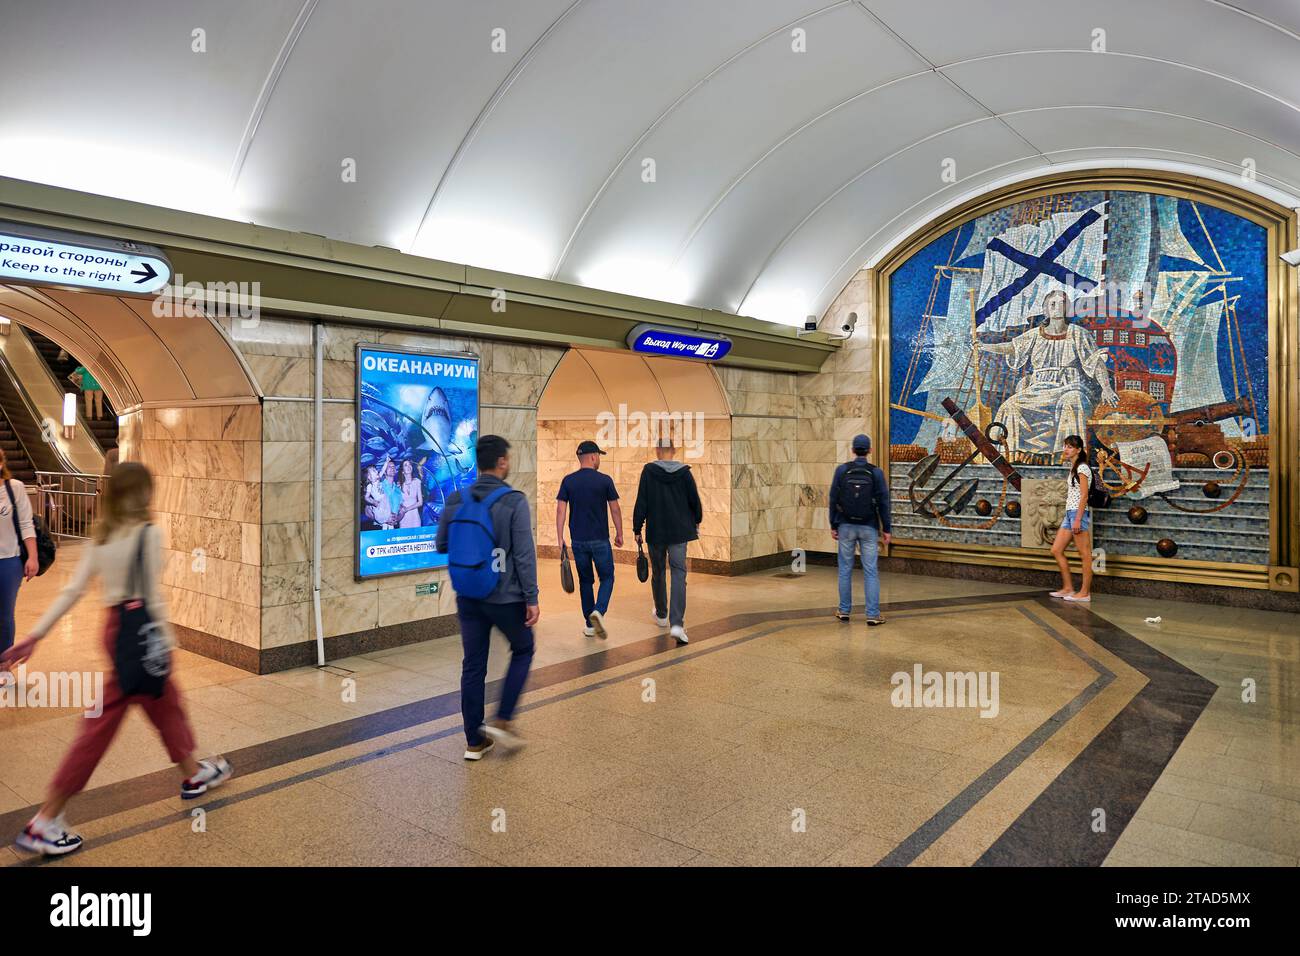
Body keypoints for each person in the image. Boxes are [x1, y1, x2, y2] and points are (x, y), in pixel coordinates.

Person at [1, 461, 232, 857]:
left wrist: (35, 637)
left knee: (167, 705)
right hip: (140, 635)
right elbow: (152, 599)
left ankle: (193, 774)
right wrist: (164, 643)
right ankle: (45, 819)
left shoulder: (100, 538)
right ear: (143, 494)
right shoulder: (149, 534)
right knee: (99, 726)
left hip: (115, 631)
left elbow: (71, 591)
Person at [436, 435, 538, 760]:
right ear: (502, 462)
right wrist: (531, 597)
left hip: (468, 595)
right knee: (523, 648)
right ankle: (504, 718)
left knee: (473, 664)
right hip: (505, 597)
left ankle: (474, 742)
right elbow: (523, 555)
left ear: (478, 462)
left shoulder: (455, 499)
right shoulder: (514, 501)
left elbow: (441, 544)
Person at [976, 290, 1117, 463]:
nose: (1057, 308)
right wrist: (985, 347)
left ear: (1068, 308)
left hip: (1070, 387)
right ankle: (1010, 457)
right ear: (1046, 310)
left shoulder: (1078, 334)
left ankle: (1069, 459)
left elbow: (1096, 362)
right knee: (1011, 405)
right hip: (1039, 389)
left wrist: (1107, 388)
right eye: (1053, 304)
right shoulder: (1035, 334)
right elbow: (1011, 347)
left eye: (1062, 303)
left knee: (1073, 401)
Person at [632, 437, 702, 645]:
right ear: (673, 450)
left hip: (657, 531)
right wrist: (696, 520)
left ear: (656, 450)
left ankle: (661, 614)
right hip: (680, 532)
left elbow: (641, 501)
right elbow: (694, 501)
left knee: (659, 571)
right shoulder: (685, 473)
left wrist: (637, 528)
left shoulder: (648, 472)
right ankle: (677, 624)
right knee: (679, 574)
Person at [556, 440, 622, 639]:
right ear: (593, 457)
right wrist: (620, 533)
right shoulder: (605, 480)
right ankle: (598, 612)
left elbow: (561, 510)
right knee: (607, 577)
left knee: (586, 581)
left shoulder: (568, 481)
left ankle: (589, 625)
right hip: (600, 539)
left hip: (578, 541)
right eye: (599, 456)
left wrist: (560, 538)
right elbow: (615, 509)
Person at [829, 434, 892, 626]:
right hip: (869, 527)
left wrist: (833, 524)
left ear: (853, 450)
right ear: (870, 451)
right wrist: (886, 528)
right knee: (871, 571)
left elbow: (833, 498)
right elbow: (883, 502)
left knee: (845, 570)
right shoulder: (876, 473)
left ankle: (844, 610)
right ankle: (872, 614)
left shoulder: (842, 470)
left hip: (845, 526)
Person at [0, 448, 38, 687]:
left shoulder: (14, 488)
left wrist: (32, 557)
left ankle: (3, 665)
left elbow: (26, 525)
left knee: (4, 615)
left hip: (8, 561)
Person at [1050, 434, 1095, 604]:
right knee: (1056, 550)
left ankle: (1084, 593)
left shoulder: (1082, 468)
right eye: (1065, 446)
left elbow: (1084, 496)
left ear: (1078, 449)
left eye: (1069, 446)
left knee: (1085, 554)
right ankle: (1068, 588)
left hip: (1078, 514)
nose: (1066, 449)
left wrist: (1077, 519)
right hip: (1070, 514)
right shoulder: (1074, 467)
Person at [398, 459, 423, 528]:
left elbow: (420, 502)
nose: (408, 466)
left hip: (415, 518)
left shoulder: (417, 481)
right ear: (402, 471)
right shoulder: (399, 485)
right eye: (405, 465)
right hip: (403, 518)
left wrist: (406, 509)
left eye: (409, 464)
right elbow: (398, 503)